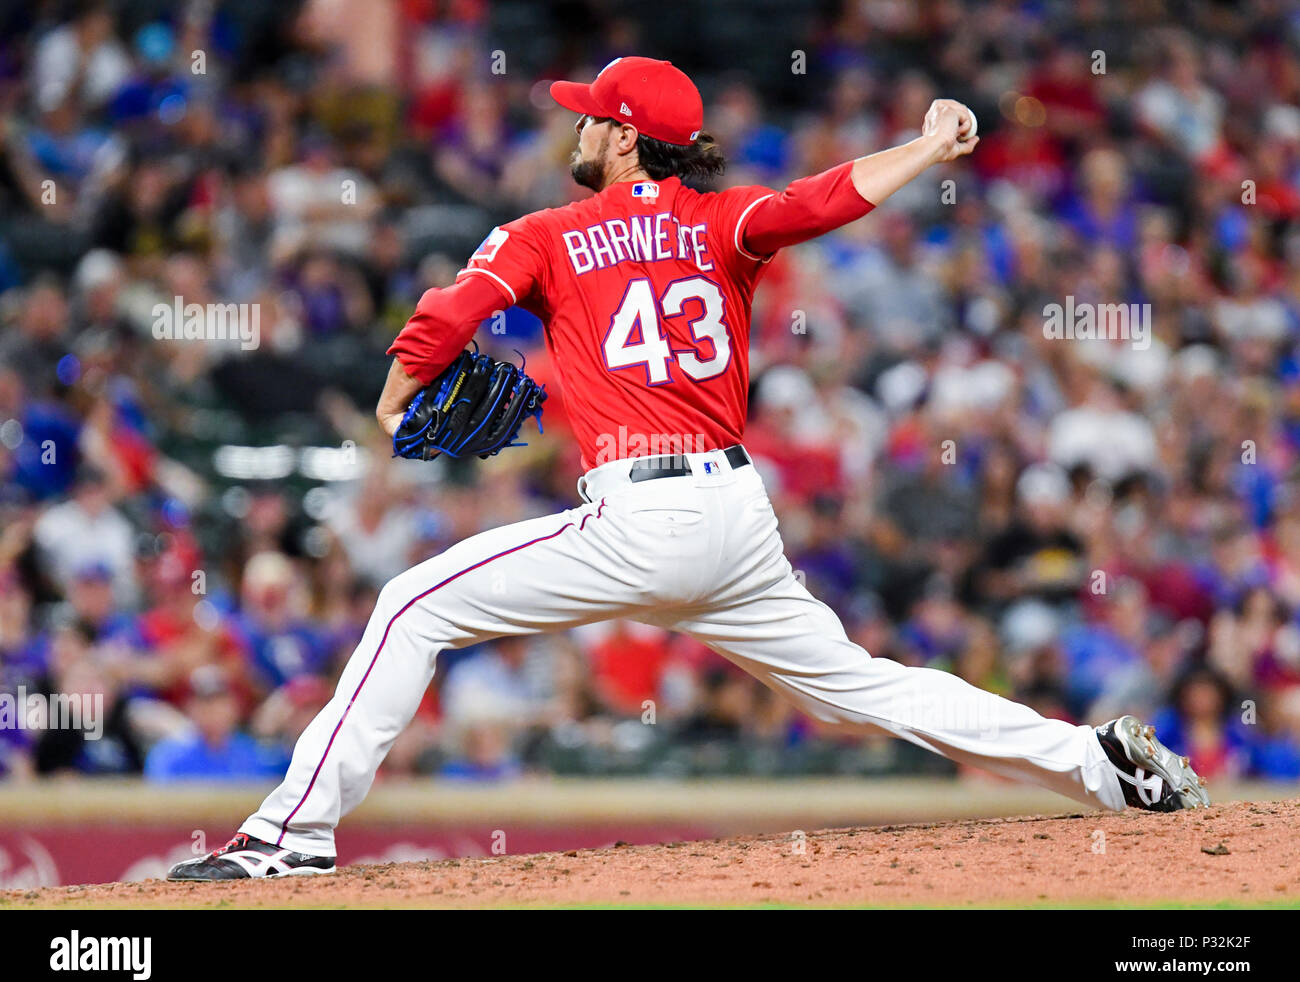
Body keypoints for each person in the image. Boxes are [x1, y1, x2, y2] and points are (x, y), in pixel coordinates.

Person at [170, 57, 1208, 881]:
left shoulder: (546, 231)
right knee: (860, 686)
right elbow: (820, 200)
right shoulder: (725, 220)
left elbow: (451, 311)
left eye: (590, 116)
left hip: (638, 516)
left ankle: (286, 838)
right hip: (735, 514)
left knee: (409, 604)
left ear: (624, 137)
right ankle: (1102, 768)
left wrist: (397, 395)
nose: (576, 127)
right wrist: (929, 144)